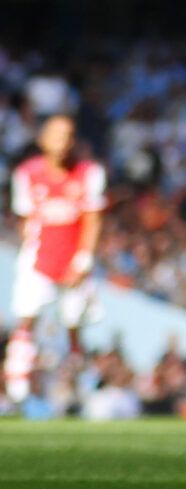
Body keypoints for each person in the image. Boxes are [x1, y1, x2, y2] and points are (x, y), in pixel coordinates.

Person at [7, 114, 104, 408]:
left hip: (74, 261)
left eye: (68, 135)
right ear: (43, 139)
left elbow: (92, 219)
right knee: (26, 316)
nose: (62, 142)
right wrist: (32, 247)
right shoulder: (26, 174)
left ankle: (77, 384)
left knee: (73, 323)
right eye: (56, 135)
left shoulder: (88, 173)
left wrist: (83, 261)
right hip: (38, 257)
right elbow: (24, 218)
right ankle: (18, 379)